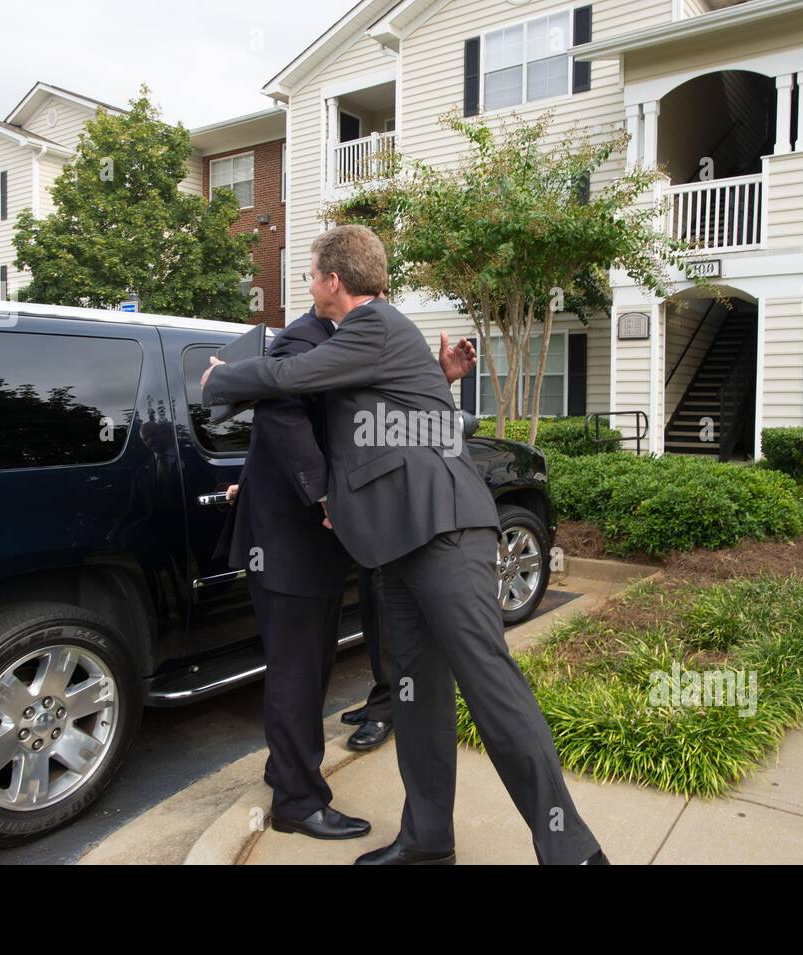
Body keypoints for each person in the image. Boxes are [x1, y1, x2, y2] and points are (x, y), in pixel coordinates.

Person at [203, 224, 606, 865]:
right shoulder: (379, 342)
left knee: (488, 684)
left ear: (335, 281)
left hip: (443, 531)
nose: (308, 286)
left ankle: (571, 849)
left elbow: (291, 375)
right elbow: (411, 420)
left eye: (310, 275)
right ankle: (426, 841)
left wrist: (220, 380)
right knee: (416, 696)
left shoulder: (374, 324)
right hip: (392, 547)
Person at [218, 305, 478, 839]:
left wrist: (439, 378)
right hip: (290, 539)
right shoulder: (301, 339)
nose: (381, 302)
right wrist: (322, 493)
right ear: (338, 283)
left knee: (311, 665)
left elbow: (381, 415)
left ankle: (285, 768)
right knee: (297, 671)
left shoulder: (351, 340)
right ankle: (297, 802)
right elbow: (281, 418)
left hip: (318, 541)